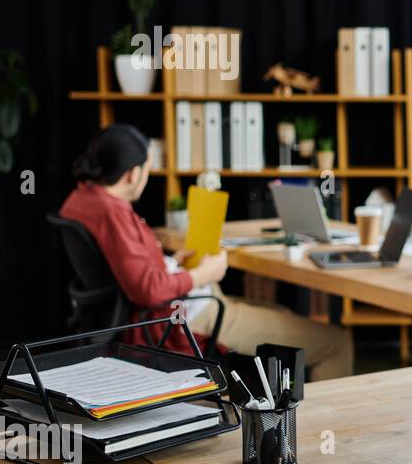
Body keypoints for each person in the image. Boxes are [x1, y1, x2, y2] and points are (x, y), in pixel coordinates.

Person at [60, 124, 354, 379]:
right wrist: (203, 274)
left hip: (177, 306)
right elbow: (146, 290)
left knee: (282, 313)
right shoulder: (113, 213)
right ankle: (318, 429)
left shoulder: (82, 199)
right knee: (335, 341)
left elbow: (124, 269)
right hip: (183, 317)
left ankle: (274, 405)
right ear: (133, 174)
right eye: (148, 170)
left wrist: (169, 262)